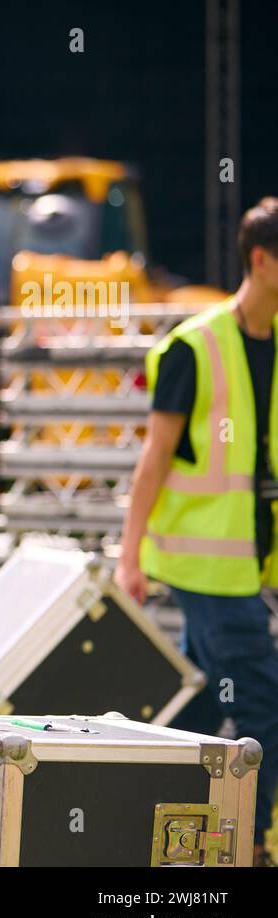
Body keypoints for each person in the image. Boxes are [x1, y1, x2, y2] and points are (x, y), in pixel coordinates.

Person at [115, 197, 278, 868]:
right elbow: (153, 458)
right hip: (205, 566)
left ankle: (133, 811)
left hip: (250, 562)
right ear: (261, 259)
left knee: (206, 707)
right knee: (267, 707)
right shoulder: (194, 346)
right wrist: (129, 555)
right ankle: (250, 847)